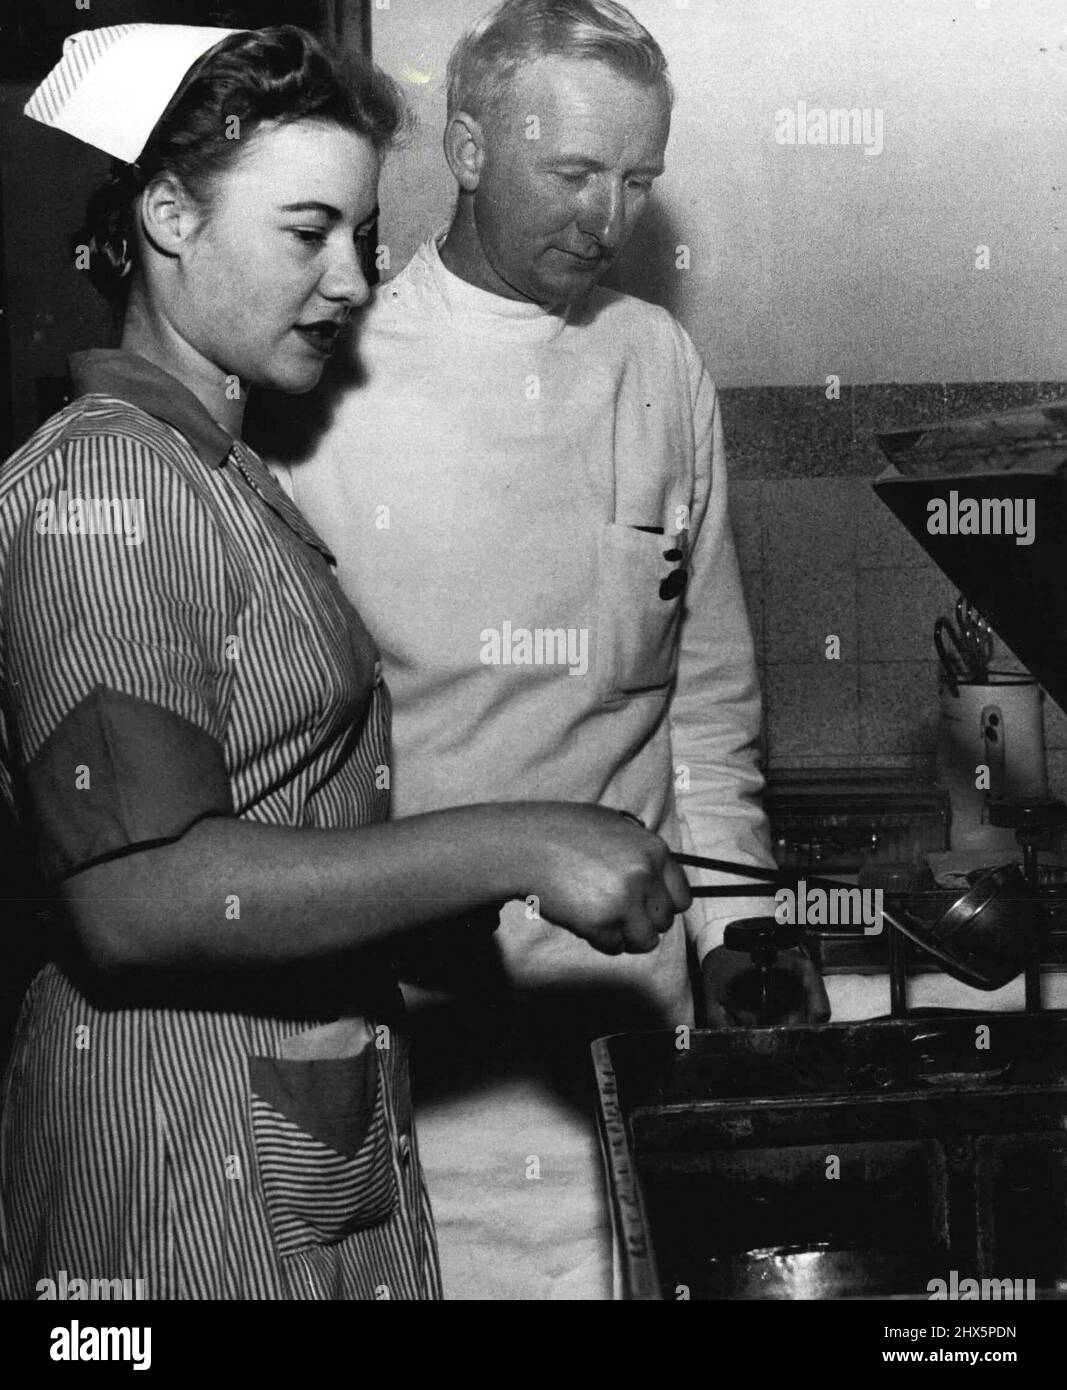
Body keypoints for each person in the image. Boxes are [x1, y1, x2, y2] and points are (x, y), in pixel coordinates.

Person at [0, 22, 691, 1302]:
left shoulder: (218, 472)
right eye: (303, 231)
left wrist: (422, 908)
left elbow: (266, 811)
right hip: (172, 1154)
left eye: (359, 238)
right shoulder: (104, 479)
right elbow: (137, 894)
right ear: (166, 216)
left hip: (285, 1116)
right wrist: (519, 840)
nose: (350, 282)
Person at [272, 0, 830, 1299]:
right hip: (420, 1054)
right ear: (466, 147)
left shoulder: (655, 362)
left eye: (634, 179)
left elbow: (703, 697)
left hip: (634, 1036)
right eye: (569, 172)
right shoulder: (327, 383)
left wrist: (740, 940)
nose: (604, 215)